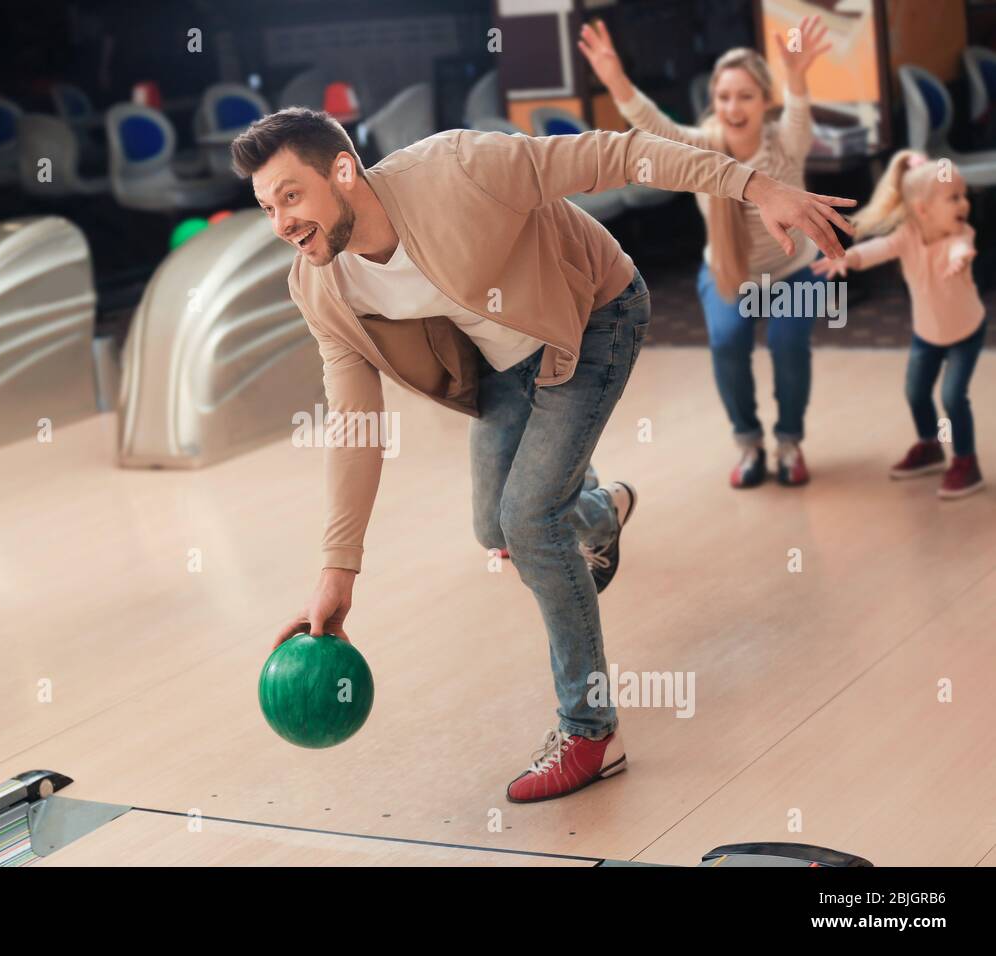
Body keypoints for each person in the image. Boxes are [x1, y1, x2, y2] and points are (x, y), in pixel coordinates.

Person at [231, 105, 853, 801]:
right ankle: (599, 510)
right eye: (267, 207)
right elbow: (356, 423)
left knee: (529, 522)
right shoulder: (320, 285)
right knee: (495, 530)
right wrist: (337, 573)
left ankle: (591, 732)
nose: (282, 221)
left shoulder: (461, 168)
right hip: (506, 362)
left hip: (593, 317)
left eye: (291, 196)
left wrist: (755, 186)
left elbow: (618, 153)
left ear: (342, 172)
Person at [580, 16, 832, 488]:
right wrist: (615, 78)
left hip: (794, 270)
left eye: (745, 96)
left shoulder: (785, 145)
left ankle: (790, 442)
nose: (733, 106)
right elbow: (652, 125)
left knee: (787, 345)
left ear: (764, 103)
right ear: (713, 102)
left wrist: (797, 78)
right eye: (723, 97)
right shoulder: (702, 150)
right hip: (730, 271)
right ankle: (749, 443)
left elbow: (799, 114)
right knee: (727, 343)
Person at [814, 151, 986, 498]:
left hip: (966, 331)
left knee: (952, 397)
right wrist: (848, 258)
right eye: (953, 197)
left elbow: (961, 248)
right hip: (927, 335)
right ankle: (930, 445)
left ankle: (966, 463)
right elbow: (879, 248)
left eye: (963, 195)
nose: (963, 203)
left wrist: (959, 260)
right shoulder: (907, 235)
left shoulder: (960, 234)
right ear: (923, 209)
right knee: (916, 392)